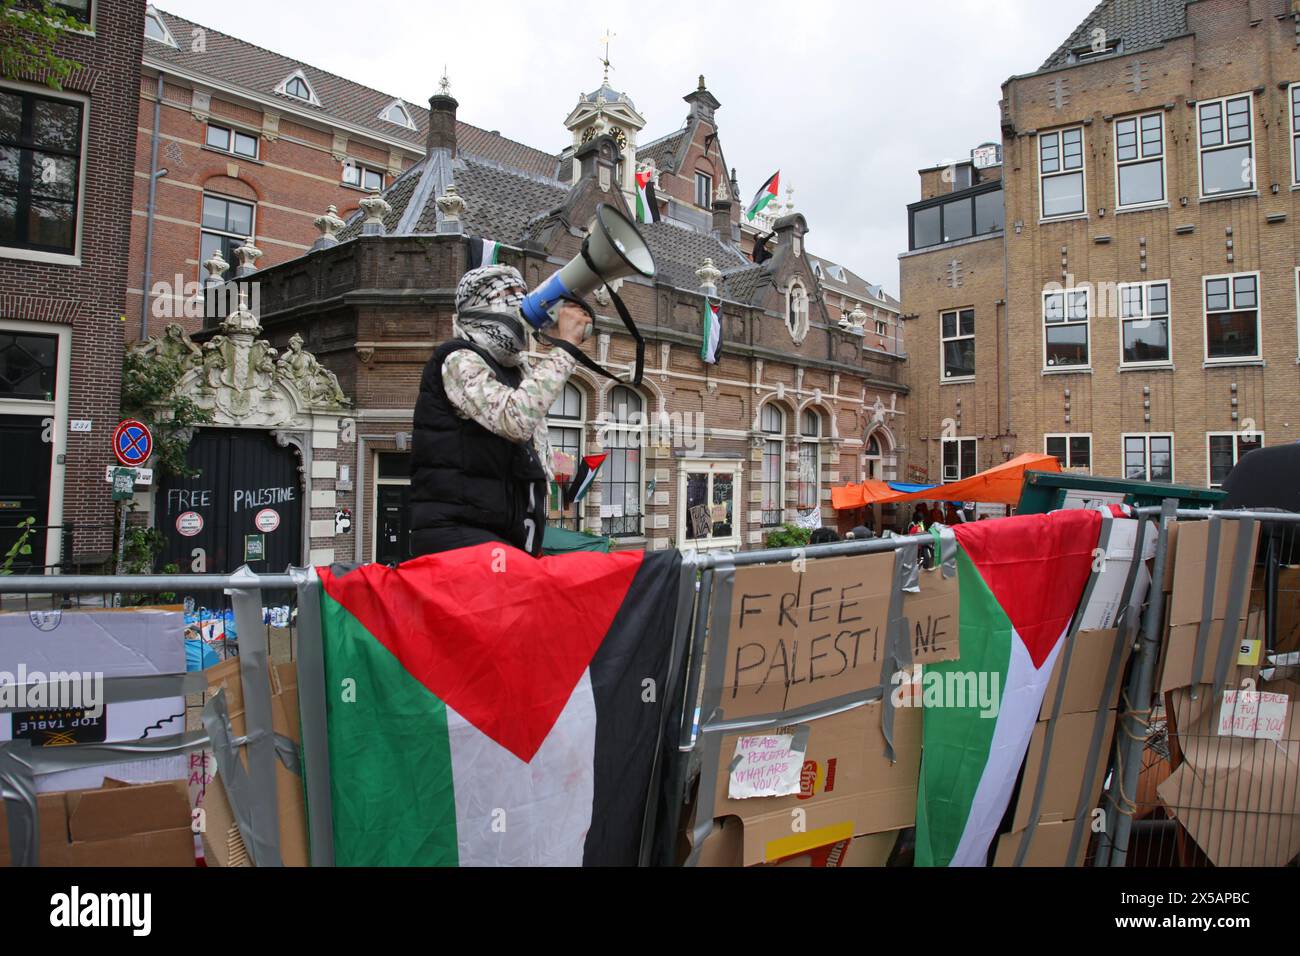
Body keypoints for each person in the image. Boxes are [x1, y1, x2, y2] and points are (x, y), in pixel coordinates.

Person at [409, 264, 591, 558]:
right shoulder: (457, 359)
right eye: (506, 292)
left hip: (508, 540)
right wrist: (566, 348)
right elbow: (515, 419)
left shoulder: (518, 370)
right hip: (461, 540)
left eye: (522, 292)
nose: (518, 300)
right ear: (476, 304)